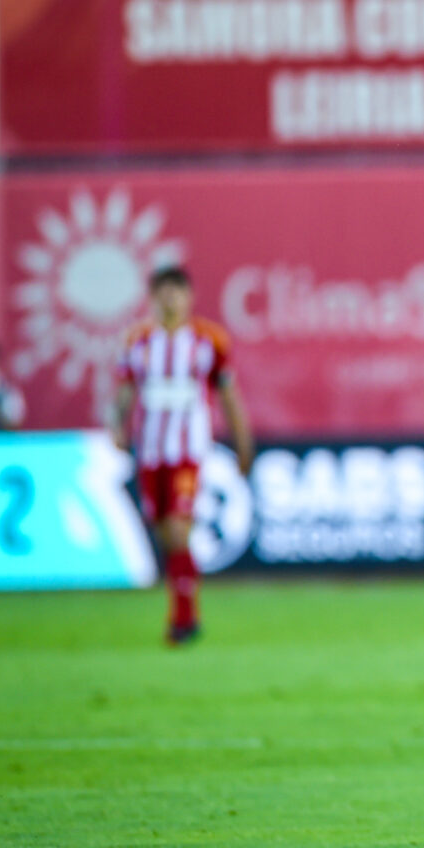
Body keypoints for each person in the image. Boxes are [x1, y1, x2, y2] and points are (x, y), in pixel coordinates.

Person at [109, 267, 254, 645]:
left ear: (189, 297)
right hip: (150, 451)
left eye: (177, 291)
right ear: (153, 297)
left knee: (178, 527)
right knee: (164, 533)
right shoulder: (137, 341)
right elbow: (125, 392)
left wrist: (243, 441)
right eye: (163, 291)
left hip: (187, 451)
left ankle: (184, 619)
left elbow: (228, 394)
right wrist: (118, 428)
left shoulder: (208, 340)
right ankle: (184, 609)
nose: (170, 298)